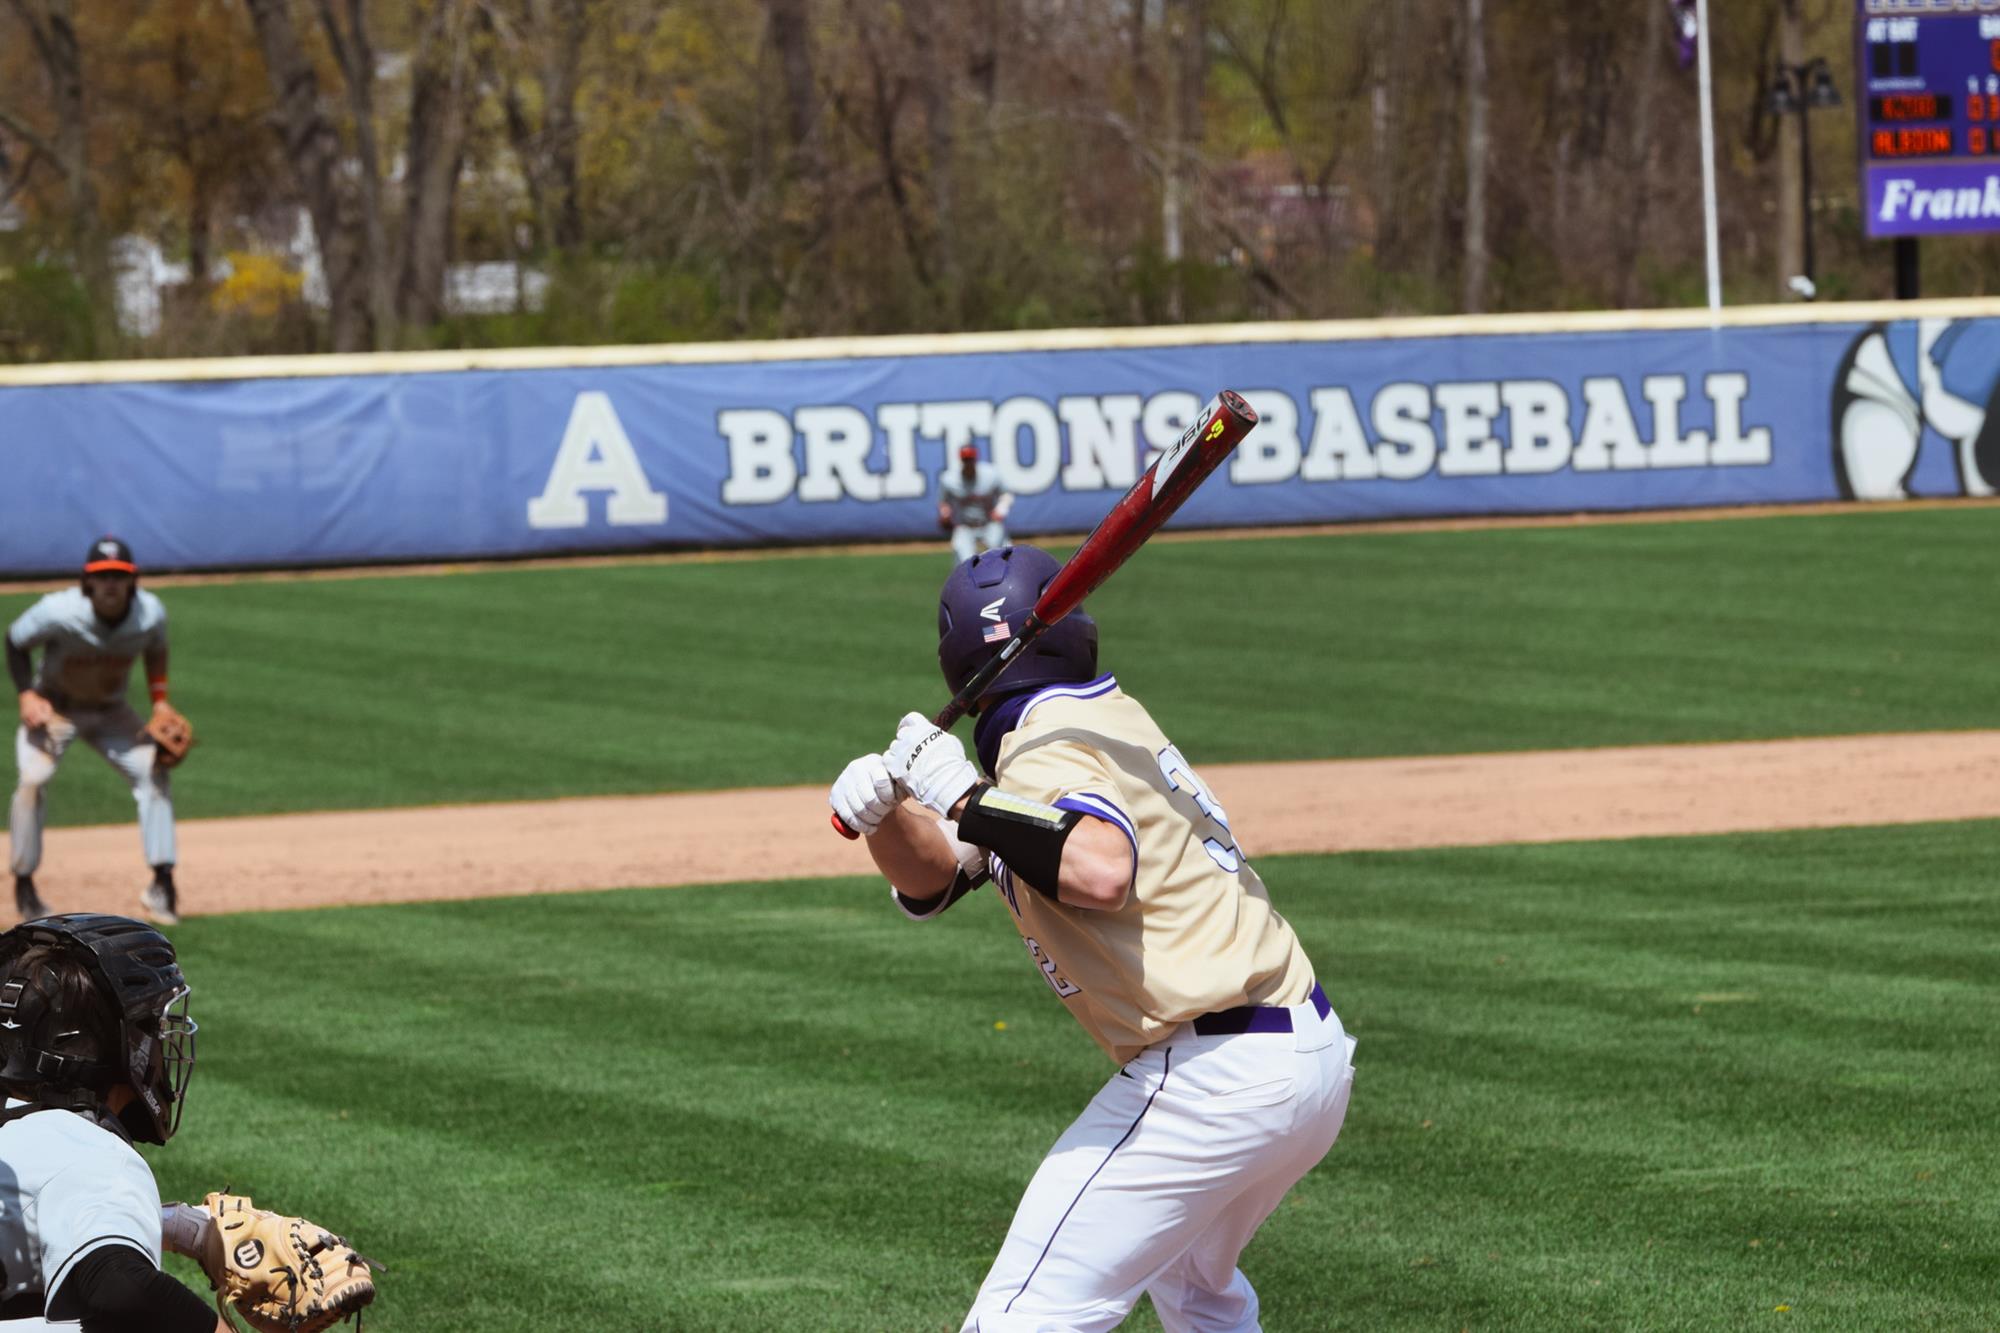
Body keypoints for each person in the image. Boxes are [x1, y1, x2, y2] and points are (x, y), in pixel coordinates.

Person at [829, 545, 1357, 1333]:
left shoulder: (1052, 741)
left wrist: (963, 794)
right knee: (1197, 1292)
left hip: (1216, 1077)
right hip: (1301, 1057)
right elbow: (936, 875)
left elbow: (1099, 867)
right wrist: (887, 814)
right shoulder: (1092, 722)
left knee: (1020, 1316)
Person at [0, 912, 226, 1331]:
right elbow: (122, 1288)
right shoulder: (92, 1155)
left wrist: (177, 1227)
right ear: (124, 1046)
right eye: (154, 1026)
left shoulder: (19, 1134)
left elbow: (38, 1213)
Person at [7, 538, 182, 925]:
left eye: (118, 577)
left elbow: (157, 649)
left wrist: (160, 700)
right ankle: (24, 886)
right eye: (102, 576)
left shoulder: (149, 613)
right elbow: (15, 640)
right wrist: (26, 695)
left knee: (154, 770)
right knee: (33, 781)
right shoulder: (59, 610)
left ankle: (163, 884)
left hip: (110, 711)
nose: (110, 585)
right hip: (56, 709)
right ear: (87, 581)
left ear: (132, 581)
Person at [938, 443, 1014, 563]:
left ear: (975, 459)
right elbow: (943, 502)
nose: (968, 463)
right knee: (964, 561)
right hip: (965, 526)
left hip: (990, 523)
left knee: (1002, 556)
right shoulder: (949, 479)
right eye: (966, 459)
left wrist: (1001, 509)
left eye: (970, 459)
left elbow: (1007, 495)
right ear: (961, 460)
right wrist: (945, 513)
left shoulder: (990, 474)